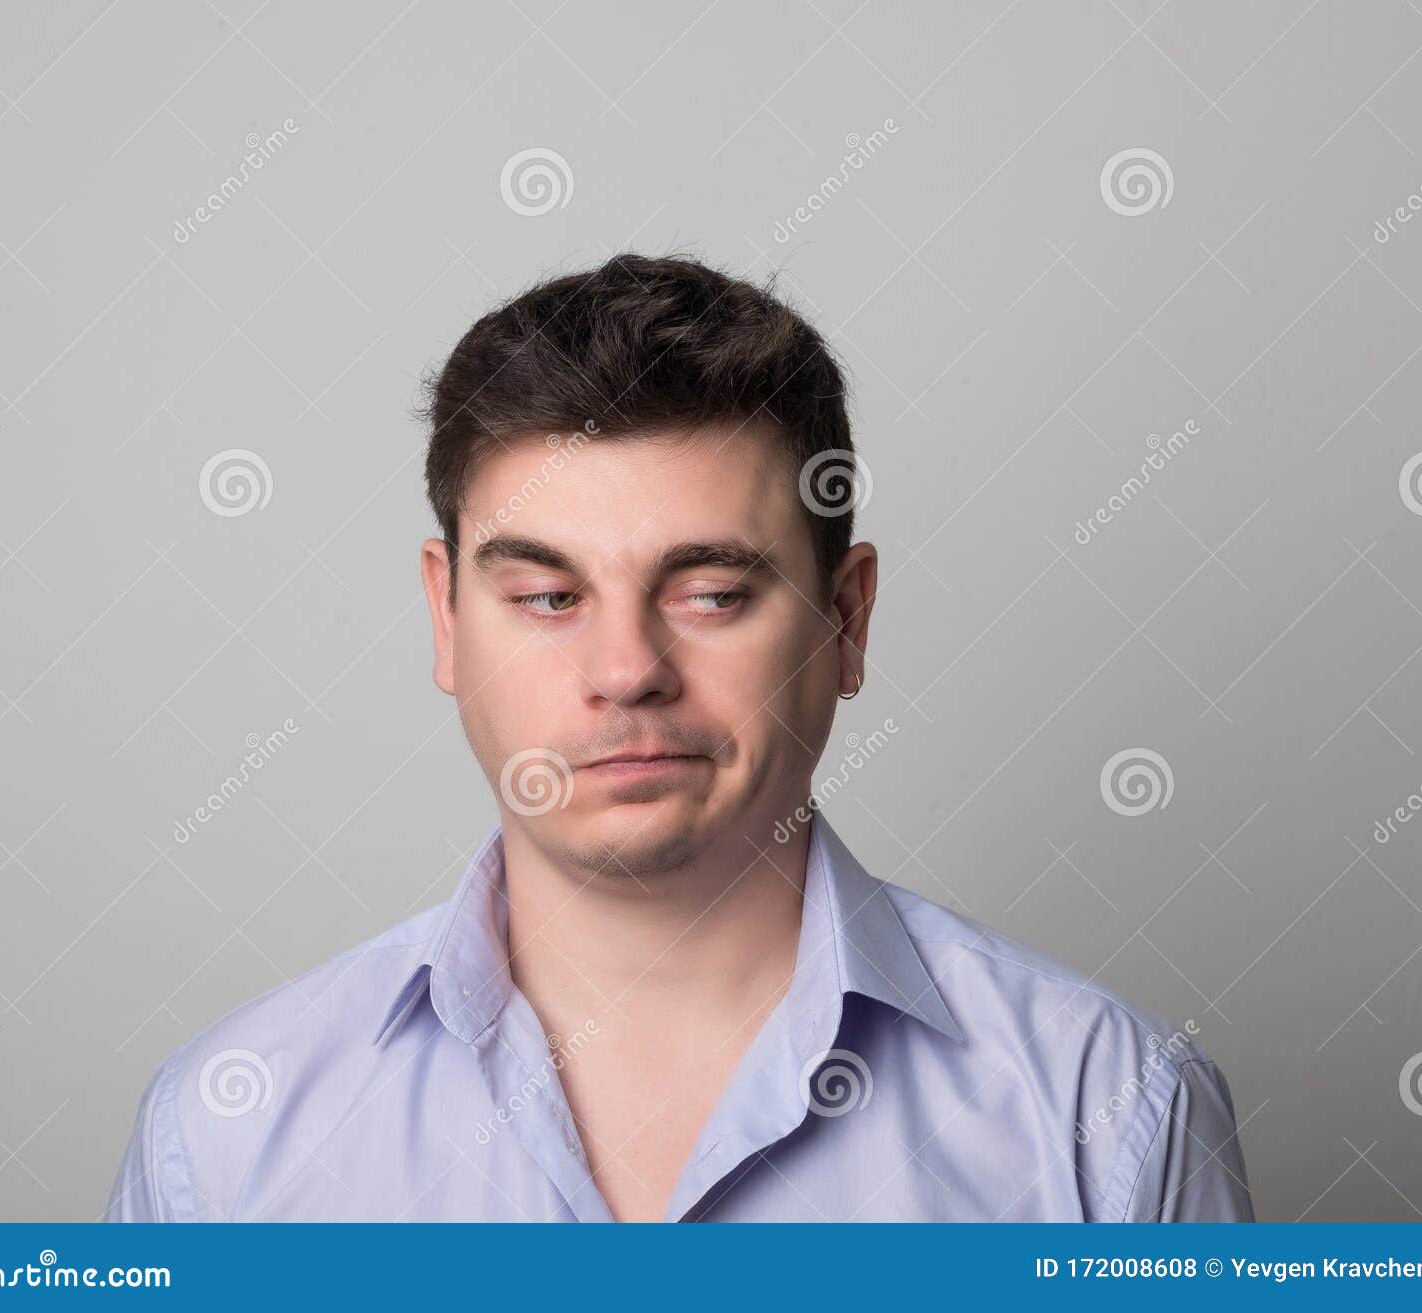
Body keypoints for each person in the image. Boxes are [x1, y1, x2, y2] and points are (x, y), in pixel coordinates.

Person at [106, 253, 1253, 1223]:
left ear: (844, 620)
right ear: (445, 619)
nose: (626, 672)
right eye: (548, 597)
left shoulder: (1108, 1115)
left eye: (709, 591)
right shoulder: (223, 1139)